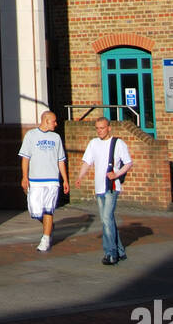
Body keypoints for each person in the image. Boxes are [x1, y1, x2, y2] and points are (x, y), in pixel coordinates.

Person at [75, 117, 132, 265]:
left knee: (106, 219)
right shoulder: (93, 143)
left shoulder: (118, 143)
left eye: (102, 128)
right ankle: (120, 251)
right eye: (97, 128)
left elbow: (128, 163)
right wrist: (80, 176)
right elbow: (87, 162)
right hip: (99, 187)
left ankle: (110, 253)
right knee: (108, 220)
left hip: (112, 186)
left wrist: (116, 174)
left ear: (109, 128)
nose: (100, 131)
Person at [19, 110, 69, 252]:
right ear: (46, 120)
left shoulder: (56, 138)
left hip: (52, 180)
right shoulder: (31, 135)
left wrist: (65, 180)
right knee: (35, 210)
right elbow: (25, 158)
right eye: (54, 121)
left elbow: (61, 161)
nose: (56, 124)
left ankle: (45, 239)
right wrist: (24, 176)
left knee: (48, 209)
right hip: (35, 180)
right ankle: (49, 225)